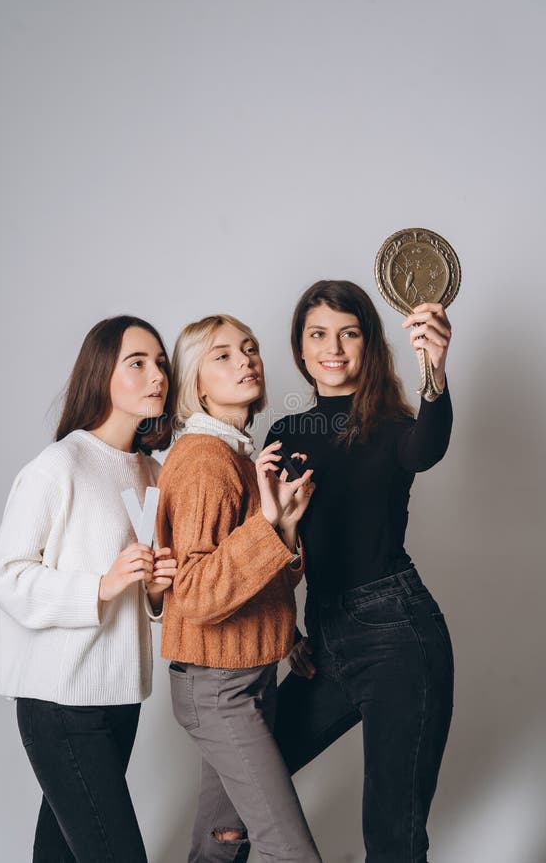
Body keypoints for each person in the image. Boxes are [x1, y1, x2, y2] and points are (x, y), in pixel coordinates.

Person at [206, 281, 455, 862]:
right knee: (238, 801)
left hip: (399, 638)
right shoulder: (288, 434)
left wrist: (435, 376)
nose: (333, 347)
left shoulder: (396, 427)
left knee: (393, 838)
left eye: (349, 333)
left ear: (369, 345)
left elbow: (428, 447)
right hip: (326, 642)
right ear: (299, 348)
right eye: (318, 334)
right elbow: (276, 545)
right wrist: (290, 628)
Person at [0, 315, 177, 863]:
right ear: (101, 375)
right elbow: (7, 574)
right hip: (59, 701)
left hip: (120, 696)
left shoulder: (153, 473)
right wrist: (102, 583)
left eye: (160, 363)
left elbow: (145, 597)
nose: (156, 375)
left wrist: (155, 592)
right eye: (136, 363)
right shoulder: (59, 465)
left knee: (62, 853)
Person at [156, 314, 322, 862]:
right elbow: (199, 593)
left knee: (221, 844)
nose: (245, 359)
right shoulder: (206, 461)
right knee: (289, 850)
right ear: (195, 385)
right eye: (222, 355)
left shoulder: (237, 456)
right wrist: (266, 528)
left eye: (249, 349)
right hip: (219, 689)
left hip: (245, 678)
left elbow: (253, 575)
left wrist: (286, 527)